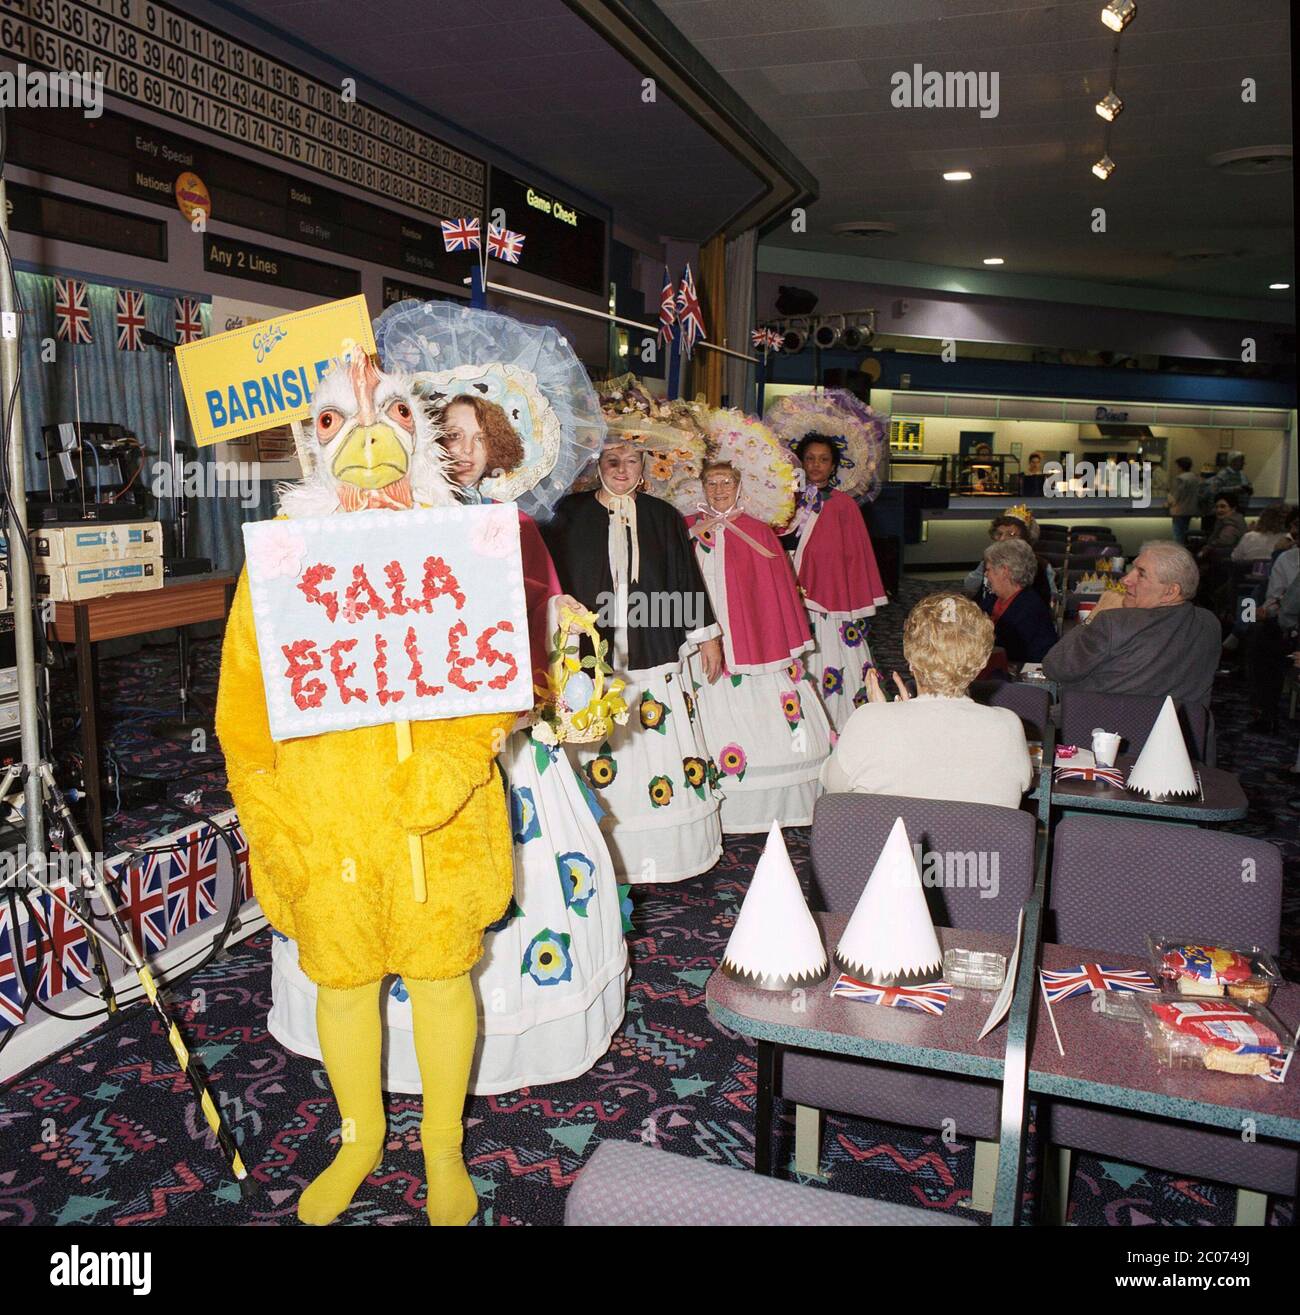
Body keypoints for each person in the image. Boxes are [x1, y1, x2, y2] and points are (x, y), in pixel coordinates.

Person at [217, 354, 514, 1227]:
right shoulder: (276, 565)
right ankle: (359, 1135)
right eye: (343, 429)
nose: (370, 450)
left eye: (389, 426)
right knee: (342, 984)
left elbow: (502, 682)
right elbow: (244, 712)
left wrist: (454, 765)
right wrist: (271, 821)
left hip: (436, 821)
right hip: (328, 822)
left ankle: (443, 1147)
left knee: (439, 978)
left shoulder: (460, 545)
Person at [267, 388, 631, 1096]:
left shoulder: (509, 525)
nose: (461, 448)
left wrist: (558, 622)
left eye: (473, 436)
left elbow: (533, 619)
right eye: (449, 434)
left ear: (496, 447)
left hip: (495, 735)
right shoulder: (399, 518)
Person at [544, 440, 724, 884]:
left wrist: (707, 639)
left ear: (644, 469)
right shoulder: (567, 516)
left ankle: (663, 849)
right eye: (612, 461)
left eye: (631, 462)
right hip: (592, 650)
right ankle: (598, 844)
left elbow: (685, 579)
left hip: (653, 640)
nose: (621, 469)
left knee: (652, 736)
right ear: (598, 467)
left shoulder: (663, 516)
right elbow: (551, 580)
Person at [683, 460, 832, 832]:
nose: (719, 489)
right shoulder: (687, 530)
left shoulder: (758, 532)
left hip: (750, 636)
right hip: (699, 632)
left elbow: (770, 592)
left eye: (726, 482)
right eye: (711, 482)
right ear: (701, 487)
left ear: (739, 485)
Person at [820, 593, 1033, 808]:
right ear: (981, 664)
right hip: (978, 841)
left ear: (910, 659)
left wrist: (881, 716)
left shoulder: (869, 720)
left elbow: (833, 786)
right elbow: (1022, 786)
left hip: (890, 841)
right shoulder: (1007, 727)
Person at [782, 434, 889, 730]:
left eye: (824, 459)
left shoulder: (844, 506)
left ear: (833, 467)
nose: (816, 465)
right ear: (800, 462)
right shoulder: (781, 500)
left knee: (830, 659)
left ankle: (841, 727)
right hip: (789, 601)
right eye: (810, 458)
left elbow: (856, 559)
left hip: (831, 605)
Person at [1041, 541, 1221, 714]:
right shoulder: (1210, 622)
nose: (1126, 579)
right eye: (1131, 569)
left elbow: (1055, 668)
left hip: (1098, 731)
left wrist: (1095, 615)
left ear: (1170, 591)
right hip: (1177, 737)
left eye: (1141, 574)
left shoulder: (1112, 622)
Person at [981, 537, 1058, 665]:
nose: (986, 575)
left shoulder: (1029, 608)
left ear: (1004, 571)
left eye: (988, 569)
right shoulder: (994, 598)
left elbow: (1011, 653)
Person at [963, 506, 1055, 607]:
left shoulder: (1042, 565)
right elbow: (970, 586)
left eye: (1011, 534)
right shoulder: (989, 560)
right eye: (999, 534)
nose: (1002, 539)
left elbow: (1051, 599)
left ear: (1026, 538)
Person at [1167, 455, 1200, 546]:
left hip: (1179, 510)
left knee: (1178, 536)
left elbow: (1176, 496)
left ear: (1180, 466)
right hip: (1190, 510)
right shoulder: (1194, 477)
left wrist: (1168, 501)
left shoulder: (1180, 479)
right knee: (1184, 534)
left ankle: (1179, 555)